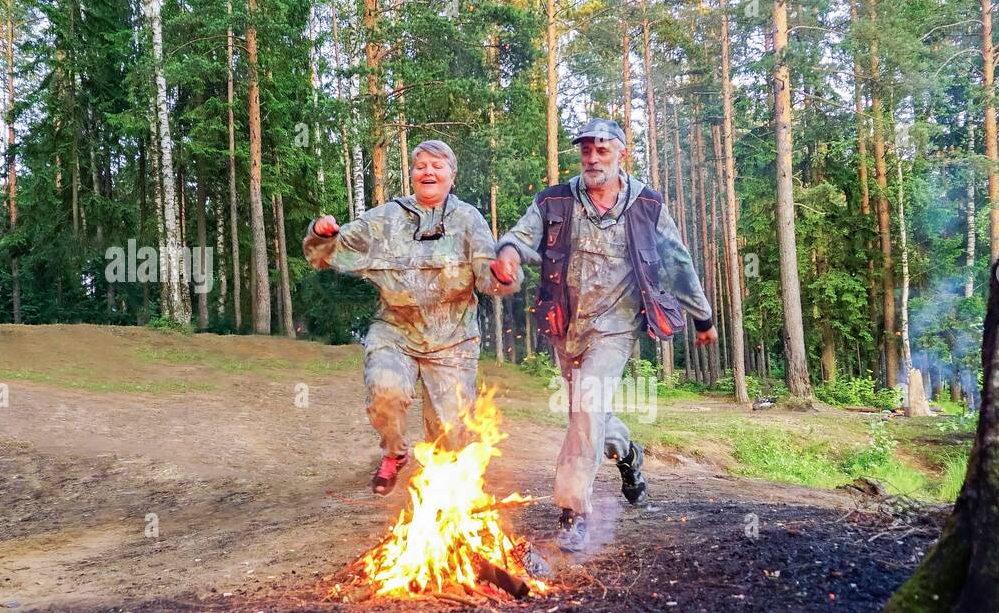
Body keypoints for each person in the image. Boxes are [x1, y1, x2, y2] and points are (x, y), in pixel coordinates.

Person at [491, 119, 718, 551]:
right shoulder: (554, 200)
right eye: (586, 152)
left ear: (622, 154)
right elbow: (520, 239)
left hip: (616, 327)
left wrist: (702, 317)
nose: (593, 160)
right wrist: (506, 255)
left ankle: (572, 513)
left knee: (588, 405)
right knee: (588, 412)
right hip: (565, 325)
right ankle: (629, 455)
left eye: (603, 151)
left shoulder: (646, 204)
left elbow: (677, 261)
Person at [304, 139, 517, 494]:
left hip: (453, 339)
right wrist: (322, 233)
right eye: (421, 166)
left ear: (452, 175)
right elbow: (329, 251)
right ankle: (394, 453)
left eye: (437, 165)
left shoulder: (468, 220)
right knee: (385, 391)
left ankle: (444, 504)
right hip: (395, 332)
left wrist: (502, 273)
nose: (428, 171)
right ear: (412, 174)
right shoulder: (386, 218)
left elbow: (488, 273)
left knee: (451, 434)